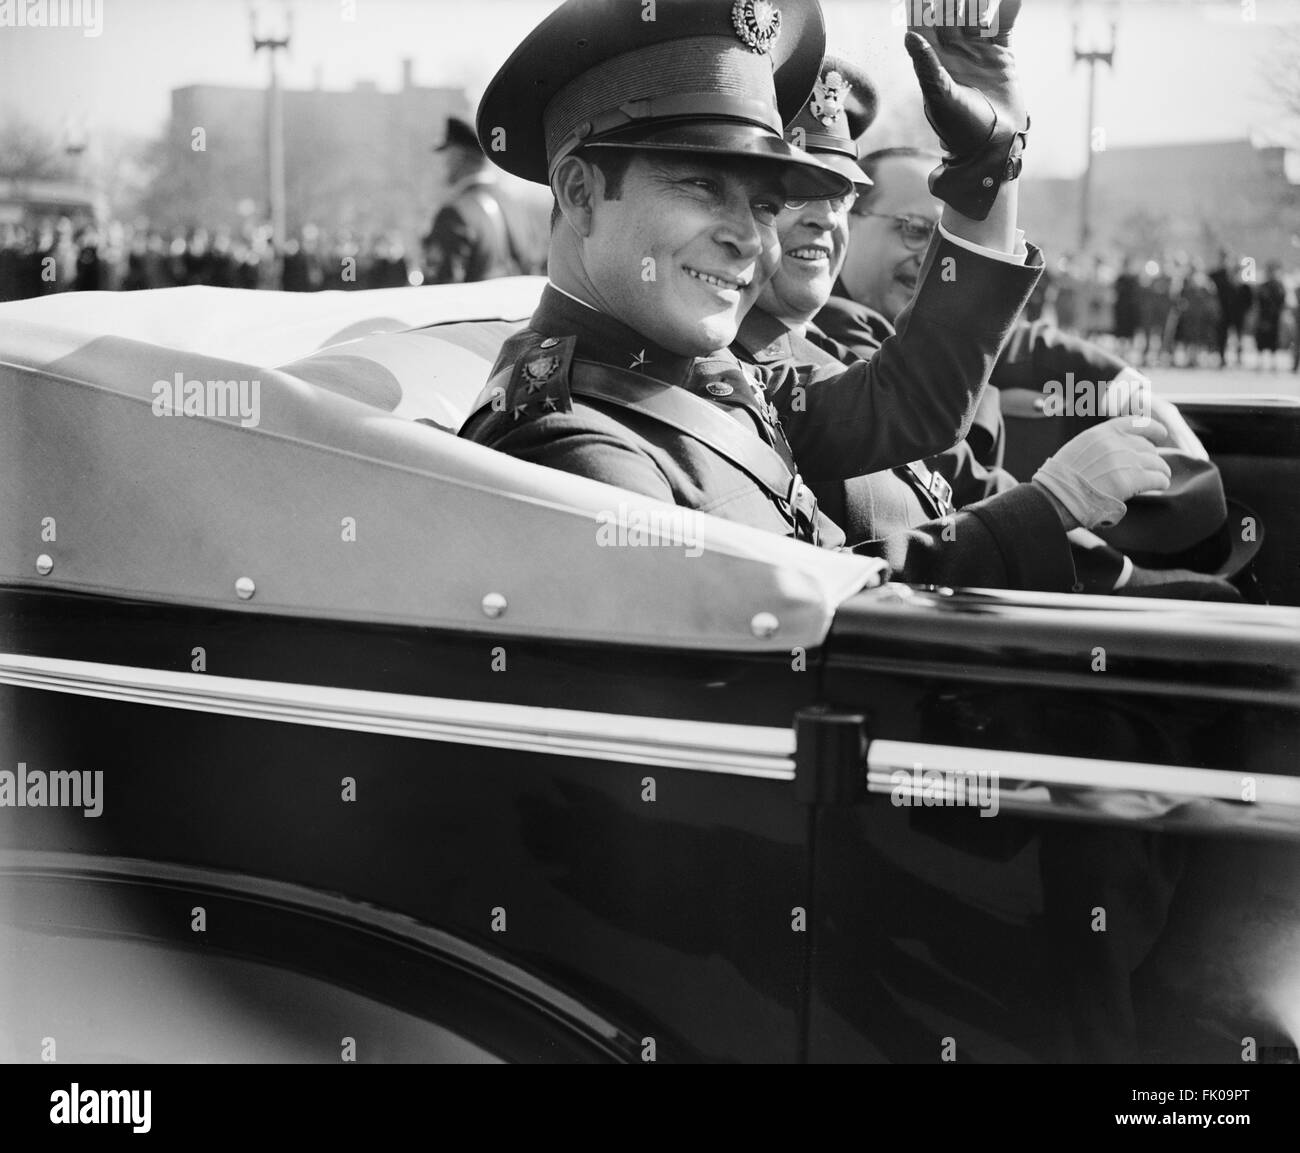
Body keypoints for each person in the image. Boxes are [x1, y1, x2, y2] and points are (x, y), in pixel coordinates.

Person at [460, 0, 1104, 555]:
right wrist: (1043, 514)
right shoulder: (567, 444)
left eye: (767, 205)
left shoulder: (695, 368)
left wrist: (990, 159)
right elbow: (783, 643)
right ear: (579, 193)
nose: (747, 236)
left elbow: (911, 403)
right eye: (703, 185)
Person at [742, 60, 1237, 600]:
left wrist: (1126, 387)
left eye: (839, 196)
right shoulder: (769, 367)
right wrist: (1058, 509)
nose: (824, 218)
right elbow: (852, 587)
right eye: (785, 196)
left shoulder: (820, 345)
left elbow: (1006, 358)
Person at [423, 114, 545, 284]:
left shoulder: (453, 213)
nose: (443, 164)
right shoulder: (516, 205)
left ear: (458, 156)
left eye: (447, 154)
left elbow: (441, 289)